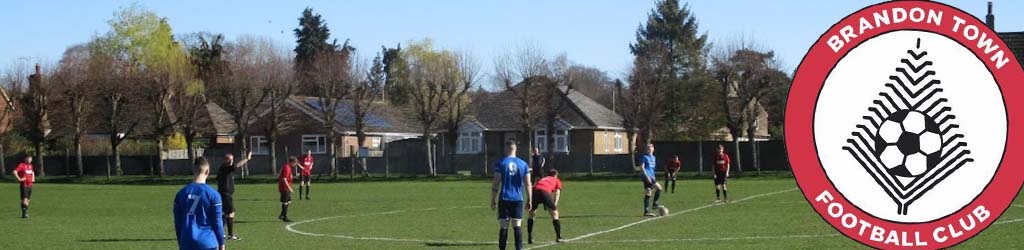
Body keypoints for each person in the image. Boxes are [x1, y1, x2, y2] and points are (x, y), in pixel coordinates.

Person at [174, 157, 226, 250]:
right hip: (208, 243)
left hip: (187, 242)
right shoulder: (213, 195)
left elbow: (178, 222)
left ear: (193, 170)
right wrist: (221, 244)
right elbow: (217, 222)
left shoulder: (181, 194)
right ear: (207, 172)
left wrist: (181, 241)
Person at [491, 140, 532, 250]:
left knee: (504, 226)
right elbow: (528, 183)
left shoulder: (501, 163)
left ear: (506, 149)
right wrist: (530, 199)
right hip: (518, 199)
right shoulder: (523, 164)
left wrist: (493, 199)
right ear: (515, 149)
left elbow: (496, 182)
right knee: (517, 225)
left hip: (504, 197)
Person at [216, 152, 251, 240]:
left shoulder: (223, 168)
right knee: (231, 213)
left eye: (232, 159)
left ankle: (221, 233)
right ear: (226, 160)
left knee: (224, 213)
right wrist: (247, 159)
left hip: (223, 193)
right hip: (226, 194)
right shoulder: (226, 167)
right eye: (230, 159)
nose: (231, 161)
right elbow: (237, 165)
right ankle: (230, 235)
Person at [528, 169, 563, 244]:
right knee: (555, 214)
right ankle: (559, 237)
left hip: (534, 191)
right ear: (556, 175)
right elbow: (557, 193)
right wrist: (555, 204)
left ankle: (529, 237)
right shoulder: (556, 180)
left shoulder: (543, 179)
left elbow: (533, 187)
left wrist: (529, 200)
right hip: (544, 192)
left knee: (532, 214)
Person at [639, 143, 663, 216]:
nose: (649, 149)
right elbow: (642, 167)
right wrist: (647, 176)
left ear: (653, 149)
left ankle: (647, 210)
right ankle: (654, 205)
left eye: (650, 148)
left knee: (650, 192)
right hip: (647, 176)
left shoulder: (653, 157)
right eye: (648, 148)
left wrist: (653, 176)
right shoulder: (644, 157)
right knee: (657, 189)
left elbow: (652, 169)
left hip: (652, 176)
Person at [278, 157, 297, 222]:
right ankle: (284, 217)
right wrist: (289, 188)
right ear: (292, 162)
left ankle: (282, 214)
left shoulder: (288, 167)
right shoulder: (287, 168)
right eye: (294, 163)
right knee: (285, 202)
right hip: (285, 188)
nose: (295, 165)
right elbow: (284, 179)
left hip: (286, 187)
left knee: (289, 201)